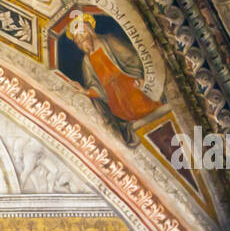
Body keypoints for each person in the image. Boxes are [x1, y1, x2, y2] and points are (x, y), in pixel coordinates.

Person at [65, 13, 160, 146]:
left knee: (148, 111)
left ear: (89, 31)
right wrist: (86, 91)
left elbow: (131, 58)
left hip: (131, 86)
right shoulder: (86, 61)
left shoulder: (109, 41)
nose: (81, 41)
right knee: (130, 121)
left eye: (82, 36)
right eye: (77, 41)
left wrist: (139, 76)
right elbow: (96, 87)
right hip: (116, 100)